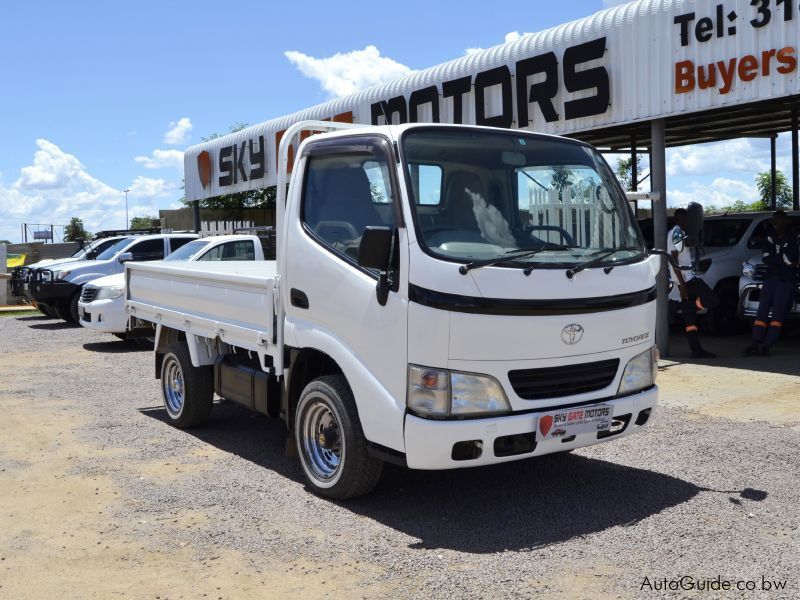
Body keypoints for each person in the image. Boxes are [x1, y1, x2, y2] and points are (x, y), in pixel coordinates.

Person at [743, 211, 799, 356]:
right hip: (770, 278)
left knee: (778, 314)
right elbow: (766, 258)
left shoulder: (793, 237)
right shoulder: (770, 236)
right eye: (774, 221)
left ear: (785, 221)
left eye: (778, 221)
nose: (775, 224)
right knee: (762, 311)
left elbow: (792, 260)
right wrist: (783, 260)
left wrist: (778, 259)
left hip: (786, 280)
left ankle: (768, 344)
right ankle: (756, 342)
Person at [668, 208, 719, 358]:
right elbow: (673, 258)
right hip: (687, 279)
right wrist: (683, 285)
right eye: (682, 219)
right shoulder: (676, 233)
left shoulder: (679, 233)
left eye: (686, 219)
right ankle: (680, 305)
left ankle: (696, 350)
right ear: (677, 219)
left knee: (690, 321)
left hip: (684, 279)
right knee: (713, 300)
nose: (684, 222)